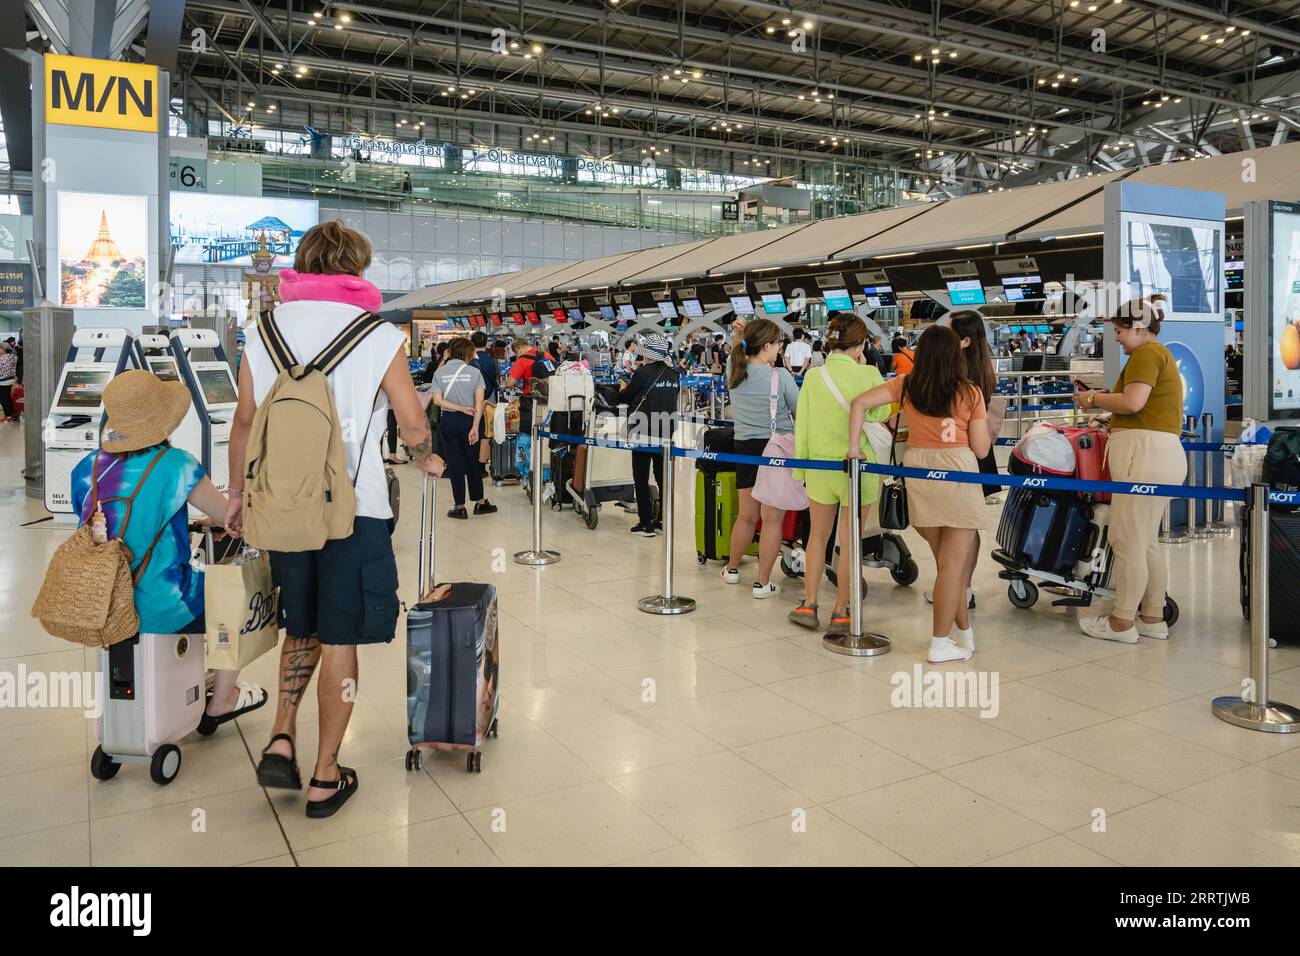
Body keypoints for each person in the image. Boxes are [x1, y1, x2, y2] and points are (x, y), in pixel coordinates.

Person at [227, 220, 444, 819]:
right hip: (355, 510)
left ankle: (281, 733)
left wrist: (238, 498)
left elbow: (244, 426)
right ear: (358, 269)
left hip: (282, 507)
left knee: (302, 622)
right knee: (340, 632)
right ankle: (325, 775)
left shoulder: (262, 330)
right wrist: (427, 457)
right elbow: (412, 422)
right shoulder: (376, 335)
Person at [71, 370, 268, 738]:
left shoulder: (86, 469)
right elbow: (228, 516)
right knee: (239, 596)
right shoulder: (177, 465)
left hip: (102, 605)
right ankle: (223, 698)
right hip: (164, 603)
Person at [848, 325, 992, 663]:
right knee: (952, 567)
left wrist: (855, 449)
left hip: (918, 470)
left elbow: (859, 404)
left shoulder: (908, 385)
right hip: (957, 469)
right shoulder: (970, 393)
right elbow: (982, 449)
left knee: (947, 567)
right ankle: (940, 644)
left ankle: (964, 635)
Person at [1073, 295, 1185, 644]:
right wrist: (1112, 411)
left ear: (1139, 328)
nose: (1117, 338)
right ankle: (1152, 616)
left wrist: (1092, 399)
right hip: (1160, 453)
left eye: (1121, 331)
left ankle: (1122, 621)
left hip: (1145, 454)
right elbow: (1141, 406)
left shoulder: (1147, 354)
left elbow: (1133, 401)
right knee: (1145, 541)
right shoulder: (1158, 355)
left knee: (1125, 539)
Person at [788, 313, 890, 634]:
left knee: (818, 537)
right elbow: (883, 411)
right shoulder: (869, 373)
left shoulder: (815, 377)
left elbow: (802, 426)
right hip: (858, 469)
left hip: (821, 468)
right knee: (849, 541)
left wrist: (801, 469)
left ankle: (809, 603)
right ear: (860, 344)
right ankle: (842, 611)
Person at [720, 318, 799, 597]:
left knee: (747, 516)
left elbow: (734, 352)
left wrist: (738, 334)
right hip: (775, 448)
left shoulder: (735, 370)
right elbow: (798, 412)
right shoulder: (781, 377)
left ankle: (731, 569)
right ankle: (762, 583)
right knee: (772, 519)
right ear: (766, 345)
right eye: (777, 343)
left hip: (745, 447)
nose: (779, 349)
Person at [620, 332, 679, 537]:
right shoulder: (674, 374)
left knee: (641, 478)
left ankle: (645, 524)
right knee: (663, 479)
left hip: (643, 430)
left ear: (647, 354)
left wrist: (623, 389)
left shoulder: (643, 373)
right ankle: (662, 521)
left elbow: (627, 397)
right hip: (666, 430)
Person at [433, 337, 497, 518]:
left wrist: (458, 407)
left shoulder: (440, 373)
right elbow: (479, 403)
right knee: (473, 463)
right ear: (469, 352)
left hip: (449, 421)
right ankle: (480, 502)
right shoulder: (475, 372)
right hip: (470, 421)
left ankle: (459, 507)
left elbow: (437, 400)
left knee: (454, 465)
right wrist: (475, 427)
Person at [949, 311, 1007, 508]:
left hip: (962, 448)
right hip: (977, 442)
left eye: (949, 334)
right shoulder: (981, 367)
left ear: (965, 340)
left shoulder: (961, 372)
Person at [505, 336, 555, 482]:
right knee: (546, 439)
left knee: (527, 437)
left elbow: (509, 382)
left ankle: (527, 473)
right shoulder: (546, 355)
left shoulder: (521, 360)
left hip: (531, 404)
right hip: (550, 403)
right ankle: (546, 475)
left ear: (518, 349)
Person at [0, 342, 16, 422]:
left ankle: (8, 416)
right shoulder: (12, 356)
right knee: (8, 397)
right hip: (11, 379)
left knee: (3, 398)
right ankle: (12, 414)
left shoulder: (2, 358)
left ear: (3, 349)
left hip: (3, 380)